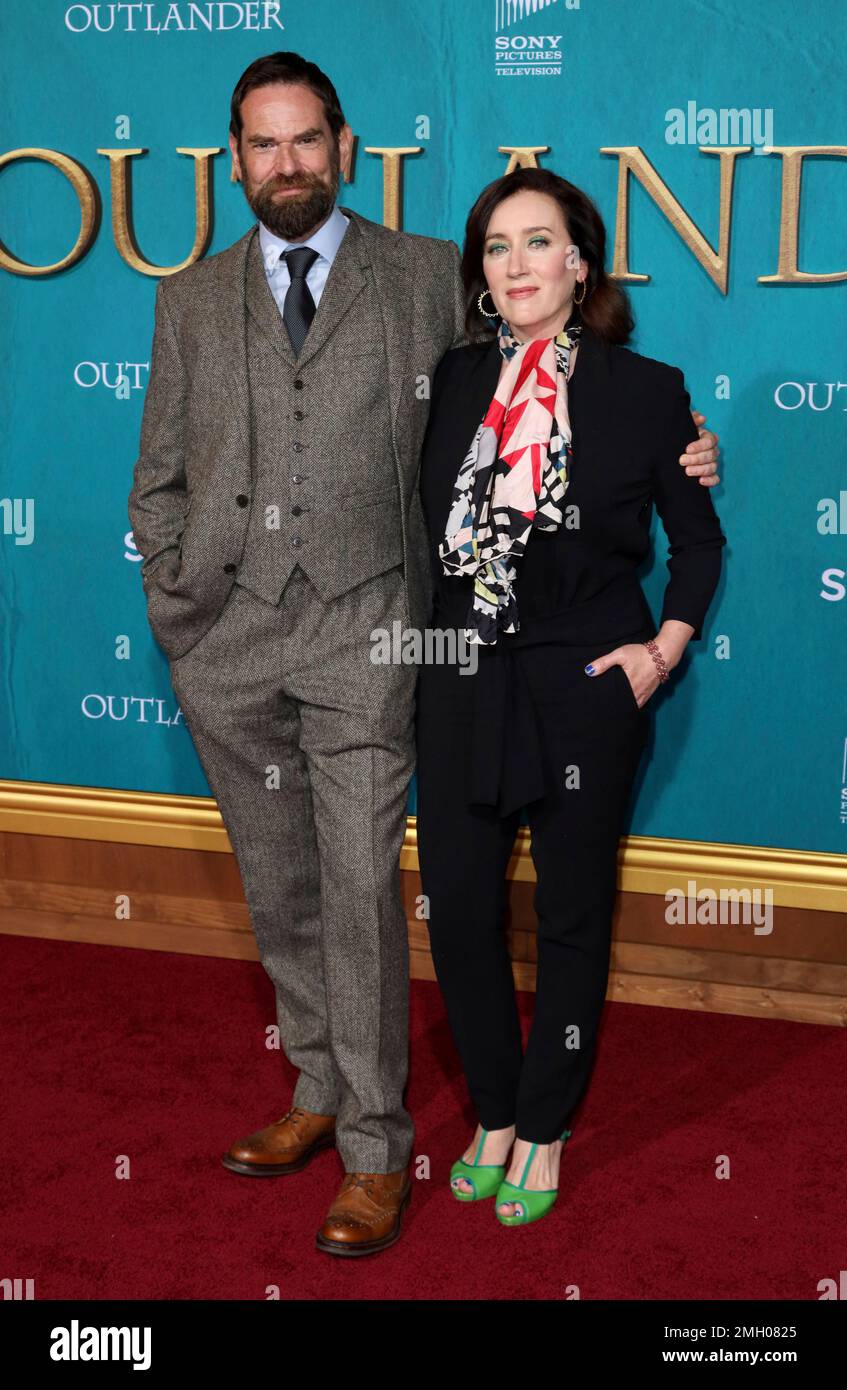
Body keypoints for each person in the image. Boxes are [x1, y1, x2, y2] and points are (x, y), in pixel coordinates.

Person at [128, 52, 721, 1257]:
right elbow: (161, 470)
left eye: (307, 141)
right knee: (280, 884)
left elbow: (548, 386)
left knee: (358, 888)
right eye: (263, 144)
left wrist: (679, 450)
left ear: (343, 148)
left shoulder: (416, 276)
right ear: (235, 159)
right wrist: (177, 597)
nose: (286, 164)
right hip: (230, 639)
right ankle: (316, 1088)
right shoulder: (188, 297)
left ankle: (376, 1144)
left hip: (377, 634)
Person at [415, 165, 727, 1226]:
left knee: (570, 913)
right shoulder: (452, 383)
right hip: (462, 677)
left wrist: (660, 652)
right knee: (456, 908)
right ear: (481, 273)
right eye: (497, 247)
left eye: (537, 242)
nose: (516, 265)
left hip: (588, 682)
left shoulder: (645, 392)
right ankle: (493, 1108)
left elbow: (696, 547)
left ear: (579, 262)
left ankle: (543, 1128)